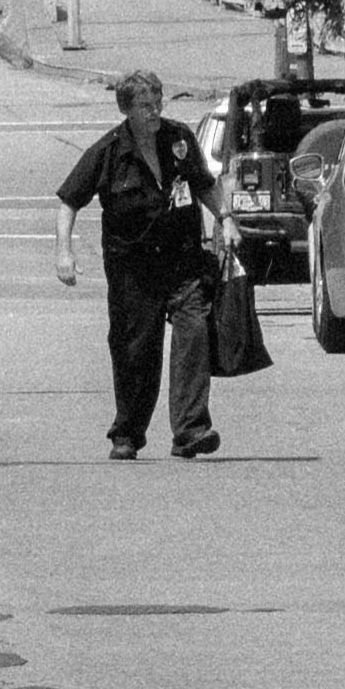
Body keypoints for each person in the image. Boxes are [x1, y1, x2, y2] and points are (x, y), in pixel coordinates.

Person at [54, 67, 222, 458]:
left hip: (183, 262)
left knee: (193, 336)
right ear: (127, 110)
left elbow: (204, 185)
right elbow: (69, 200)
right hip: (133, 270)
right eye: (145, 105)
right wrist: (64, 251)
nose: (154, 111)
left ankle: (190, 431)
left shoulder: (179, 139)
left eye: (158, 102)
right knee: (136, 351)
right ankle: (127, 432)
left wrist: (226, 220)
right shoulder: (109, 151)